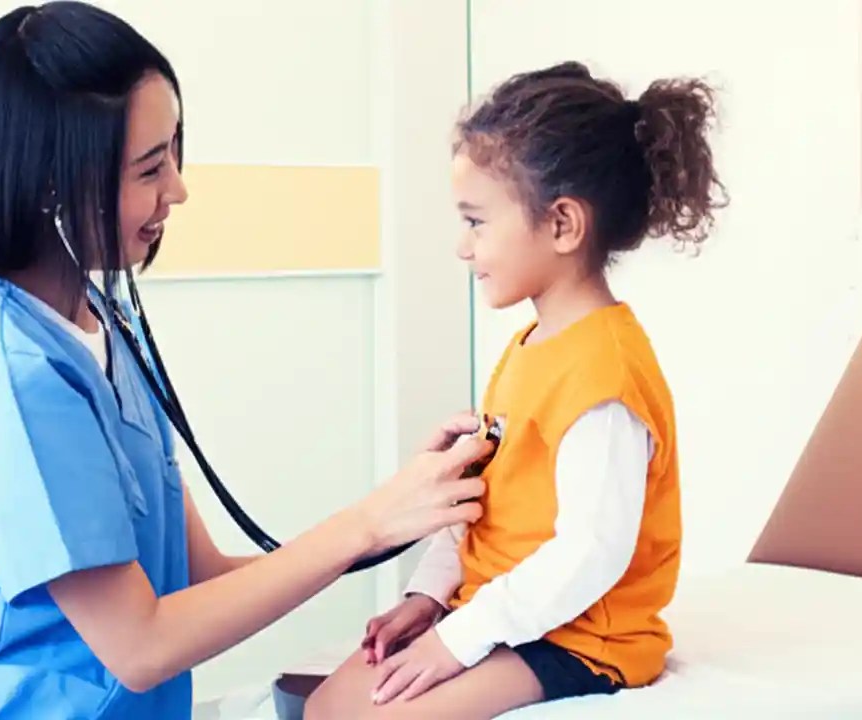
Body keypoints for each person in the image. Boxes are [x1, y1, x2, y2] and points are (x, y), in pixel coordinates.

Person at [0, 3, 493, 718]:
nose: (178, 190)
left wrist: (401, 533)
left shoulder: (108, 327)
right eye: (149, 167)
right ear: (50, 187)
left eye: (174, 156)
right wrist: (369, 523)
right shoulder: (1, 371)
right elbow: (140, 645)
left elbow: (197, 579)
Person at [304, 61, 727, 719]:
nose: (463, 247)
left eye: (477, 221)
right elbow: (481, 502)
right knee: (332, 706)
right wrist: (428, 599)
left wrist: (455, 642)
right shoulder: (530, 348)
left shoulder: (604, 375)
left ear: (561, 224)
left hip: (586, 638)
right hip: (510, 614)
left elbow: (589, 554)